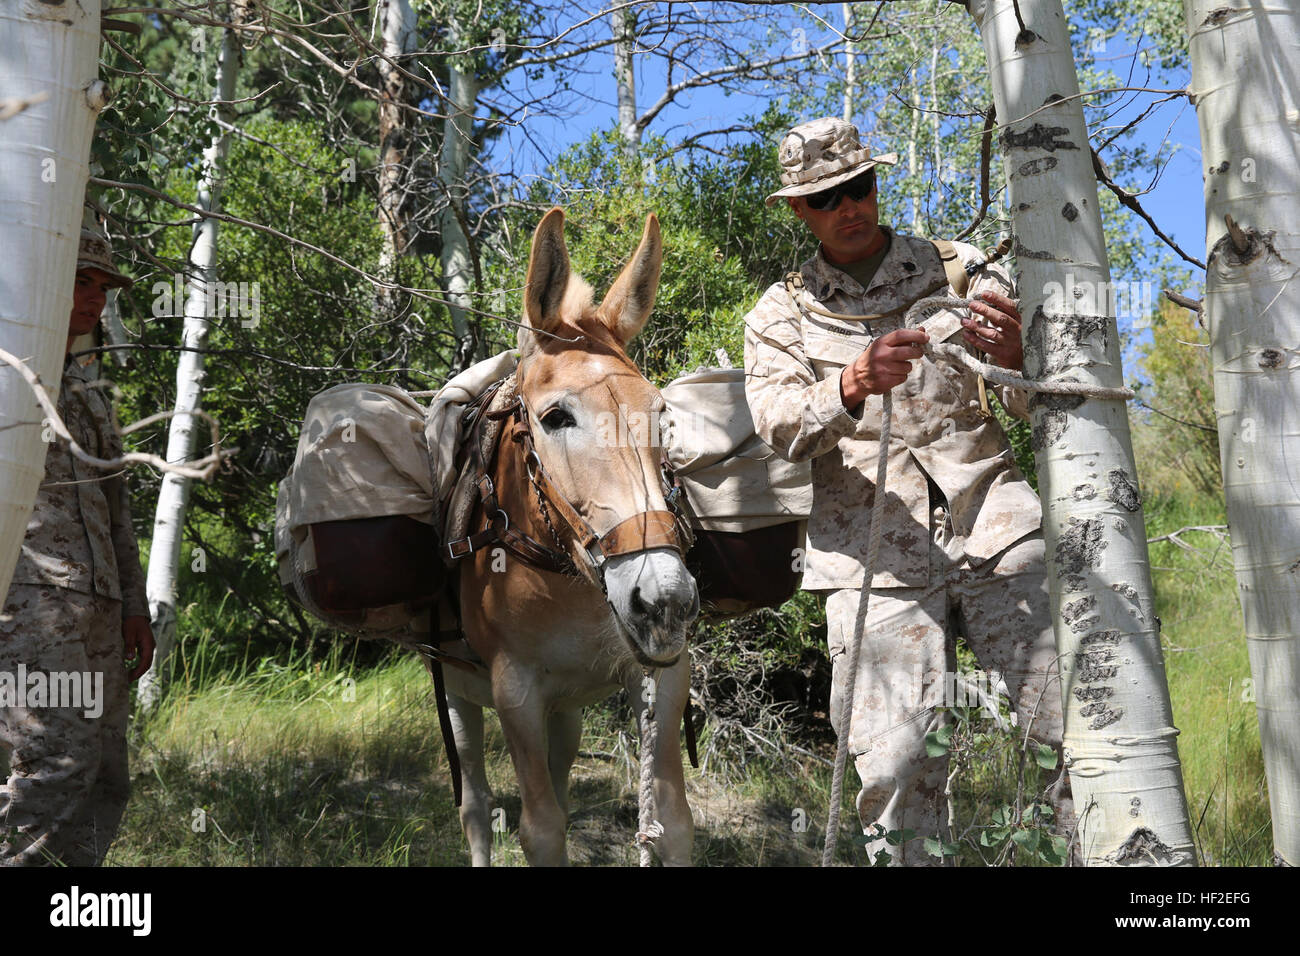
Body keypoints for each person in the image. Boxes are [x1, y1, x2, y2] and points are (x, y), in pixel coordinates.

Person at [743, 117, 1071, 865]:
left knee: (1071, 744)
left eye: (859, 187)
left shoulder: (960, 269)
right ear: (798, 210)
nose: (849, 207)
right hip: (870, 568)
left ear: (877, 182)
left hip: (999, 529)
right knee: (895, 773)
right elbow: (778, 428)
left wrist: (1020, 355)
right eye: (827, 198)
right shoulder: (780, 314)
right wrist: (849, 385)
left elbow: (1040, 402)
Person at [0, 225, 154, 866]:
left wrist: (134, 607)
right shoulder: (8, 371)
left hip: (99, 605)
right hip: (31, 603)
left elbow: (118, 510)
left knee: (104, 773)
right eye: (78, 281)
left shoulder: (89, 388)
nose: (93, 298)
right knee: (52, 767)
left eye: (101, 286)